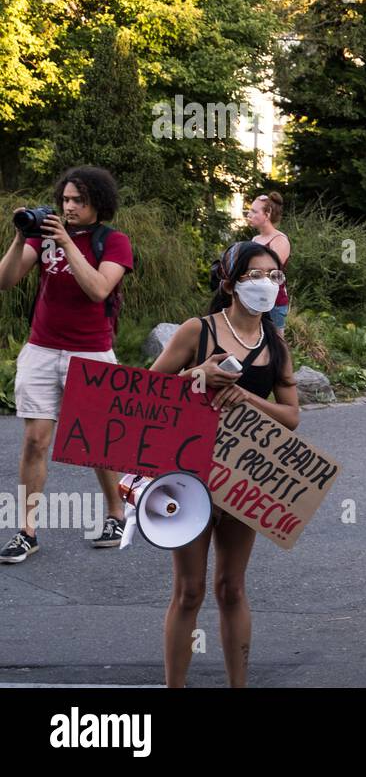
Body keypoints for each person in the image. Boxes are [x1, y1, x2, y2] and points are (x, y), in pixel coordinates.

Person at [150, 241, 299, 687]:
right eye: (255, 276)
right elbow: (145, 392)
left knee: (231, 589)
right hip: (188, 475)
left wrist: (248, 398)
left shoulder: (276, 344)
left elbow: (291, 416)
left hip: (243, 476)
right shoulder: (198, 331)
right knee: (190, 590)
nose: (266, 285)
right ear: (230, 282)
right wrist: (195, 376)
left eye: (274, 277)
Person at [0, 166, 134, 563]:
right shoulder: (42, 239)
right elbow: (5, 280)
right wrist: (20, 236)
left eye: (79, 201)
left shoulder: (114, 242)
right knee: (35, 440)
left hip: (90, 352)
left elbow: (98, 289)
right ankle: (26, 530)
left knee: (98, 442)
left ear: (98, 204)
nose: (69, 207)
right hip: (42, 349)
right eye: (66, 199)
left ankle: (116, 514)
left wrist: (66, 243)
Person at [246, 192, 290, 331]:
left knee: (277, 347)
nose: (249, 214)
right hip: (254, 299)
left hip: (274, 303)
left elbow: (269, 272)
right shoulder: (255, 240)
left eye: (254, 211)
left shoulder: (279, 240)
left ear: (267, 214)